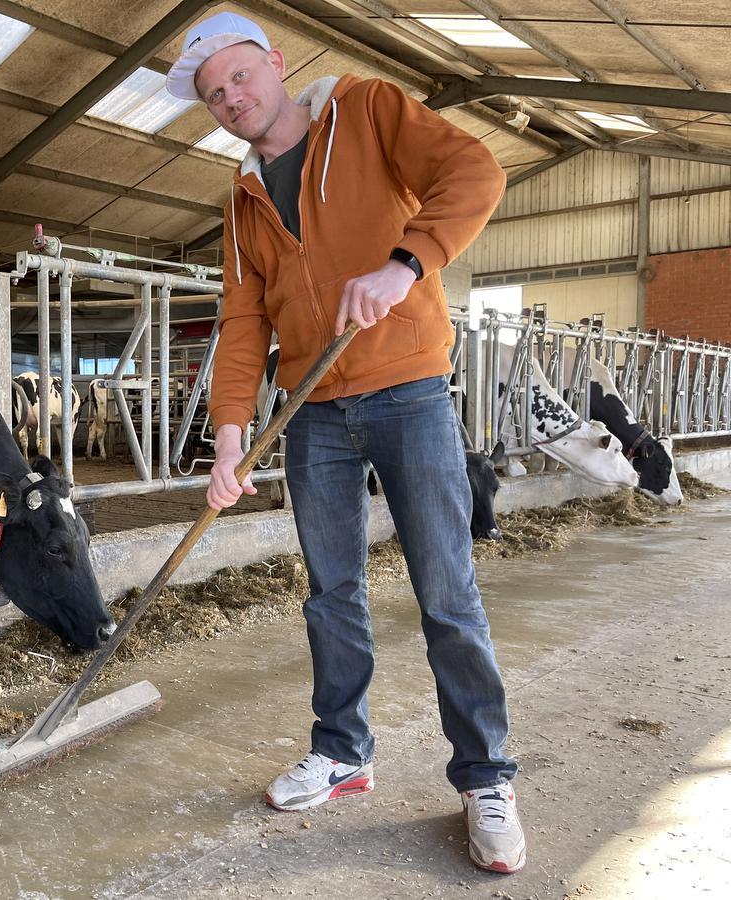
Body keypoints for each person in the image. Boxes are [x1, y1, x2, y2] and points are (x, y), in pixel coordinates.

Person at [166, 12, 525, 874]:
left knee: (446, 589)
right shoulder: (244, 199)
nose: (230, 99)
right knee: (331, 594)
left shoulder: (365, 111)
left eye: (240, 77)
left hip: (407, 391)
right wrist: (226, 444)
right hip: (312, 410)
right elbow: (245, 320)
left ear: (276, 64)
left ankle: (485, 777)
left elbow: (474, 172)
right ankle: (344, 750)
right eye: (214, 94)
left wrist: (406, 262)